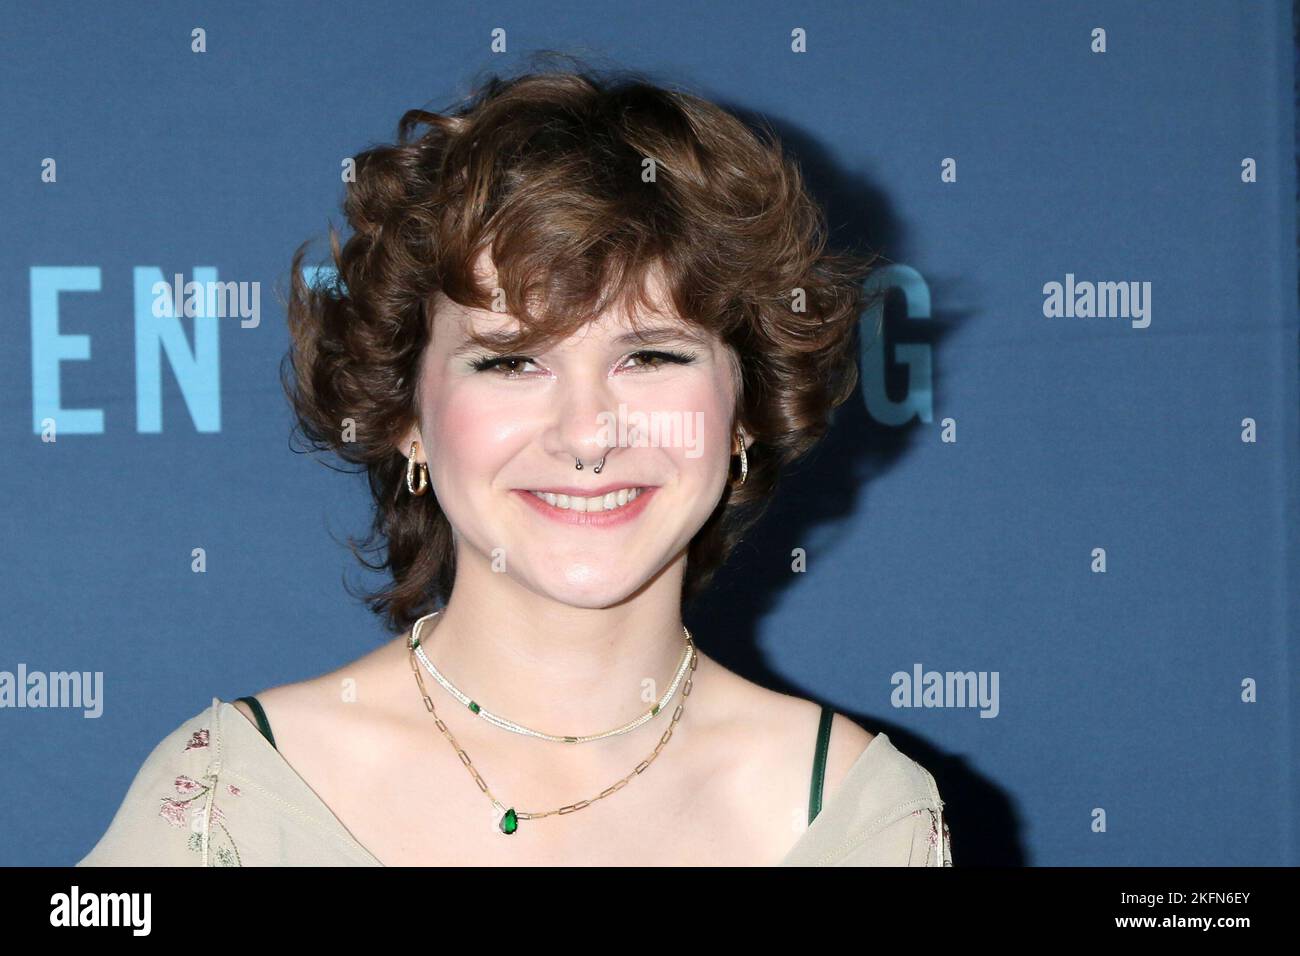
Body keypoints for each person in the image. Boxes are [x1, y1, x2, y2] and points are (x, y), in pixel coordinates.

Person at [78, 60, 951, 867]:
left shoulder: (858, 814)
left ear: (746, 410)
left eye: (651, 357)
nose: (586, 434)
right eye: (509, 361)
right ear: (405, 417)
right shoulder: (232, 802)